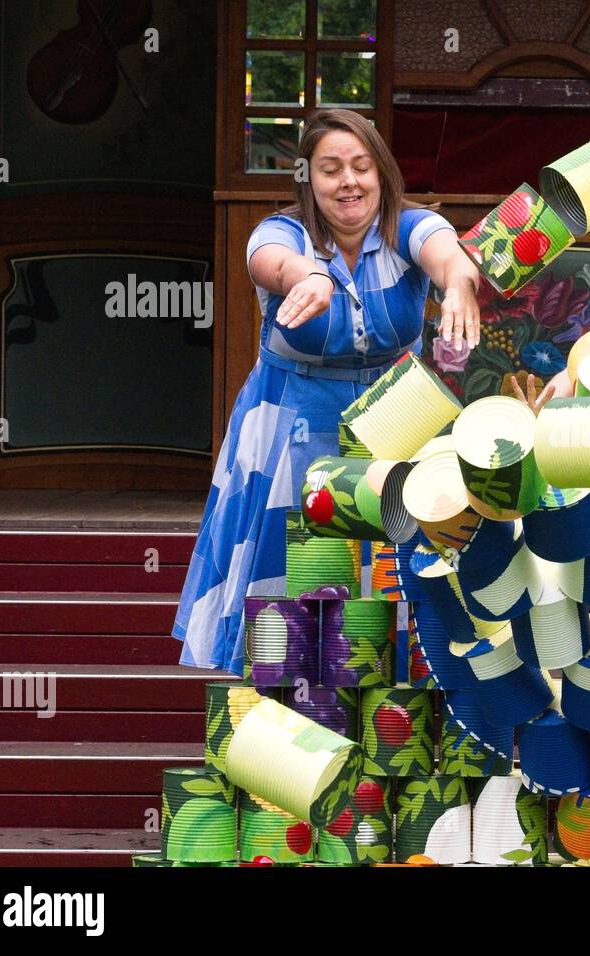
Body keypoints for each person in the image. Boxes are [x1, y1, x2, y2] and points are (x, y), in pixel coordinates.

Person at [173, 109, 482, 676]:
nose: (348, 182)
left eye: (361, 167)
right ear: (307, 178)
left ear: (382, 174)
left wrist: (459, 287)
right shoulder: (281, 233)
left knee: (399, 565)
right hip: (293, 423)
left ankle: (397, 713)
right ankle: (283, 721)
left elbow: (449, 257)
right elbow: (269, 261)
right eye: (331, 168)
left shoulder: (410, 228)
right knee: (291, 582)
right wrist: (309, 276)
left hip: (397, 421)